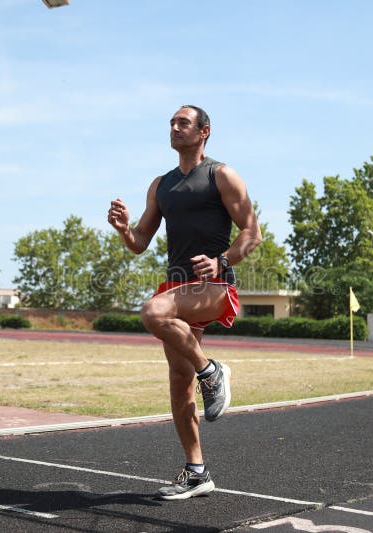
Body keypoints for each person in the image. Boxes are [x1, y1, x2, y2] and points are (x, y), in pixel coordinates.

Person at [107, 105, 262, 500]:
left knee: (152, 311)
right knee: (179, 385)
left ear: (204, 131)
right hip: (178, 285)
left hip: (214, 285)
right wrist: (125, 230)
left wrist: (222, 260)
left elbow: (252, 233)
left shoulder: (221, 175)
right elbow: (141, 243)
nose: (175, 128)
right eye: (172, 124)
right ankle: (197, 472)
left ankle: (211, 371)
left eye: (183, 123)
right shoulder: (161, 185)